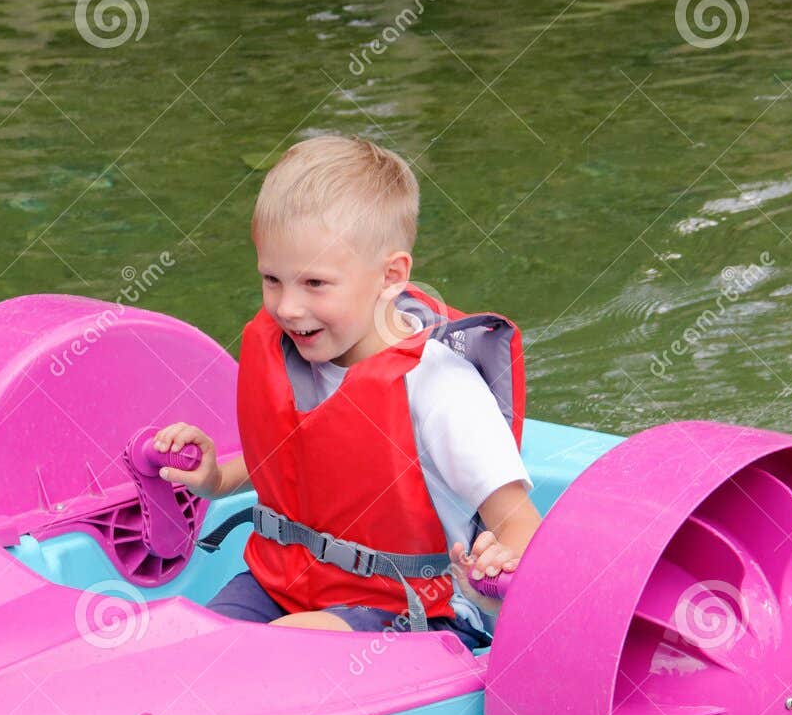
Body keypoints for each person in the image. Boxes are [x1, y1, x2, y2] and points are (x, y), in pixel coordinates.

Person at [153, 134, 540, 648]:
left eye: (314, 284)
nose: (287, 307)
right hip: (282, 588)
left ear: (390, 275)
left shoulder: (440, 388)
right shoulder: (299, 349)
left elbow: (524, 528)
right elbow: (300, 459)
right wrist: (216, 478)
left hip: (410, 612)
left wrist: (498, 565)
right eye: (272, 279)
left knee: (273, 652)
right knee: (188, 649)